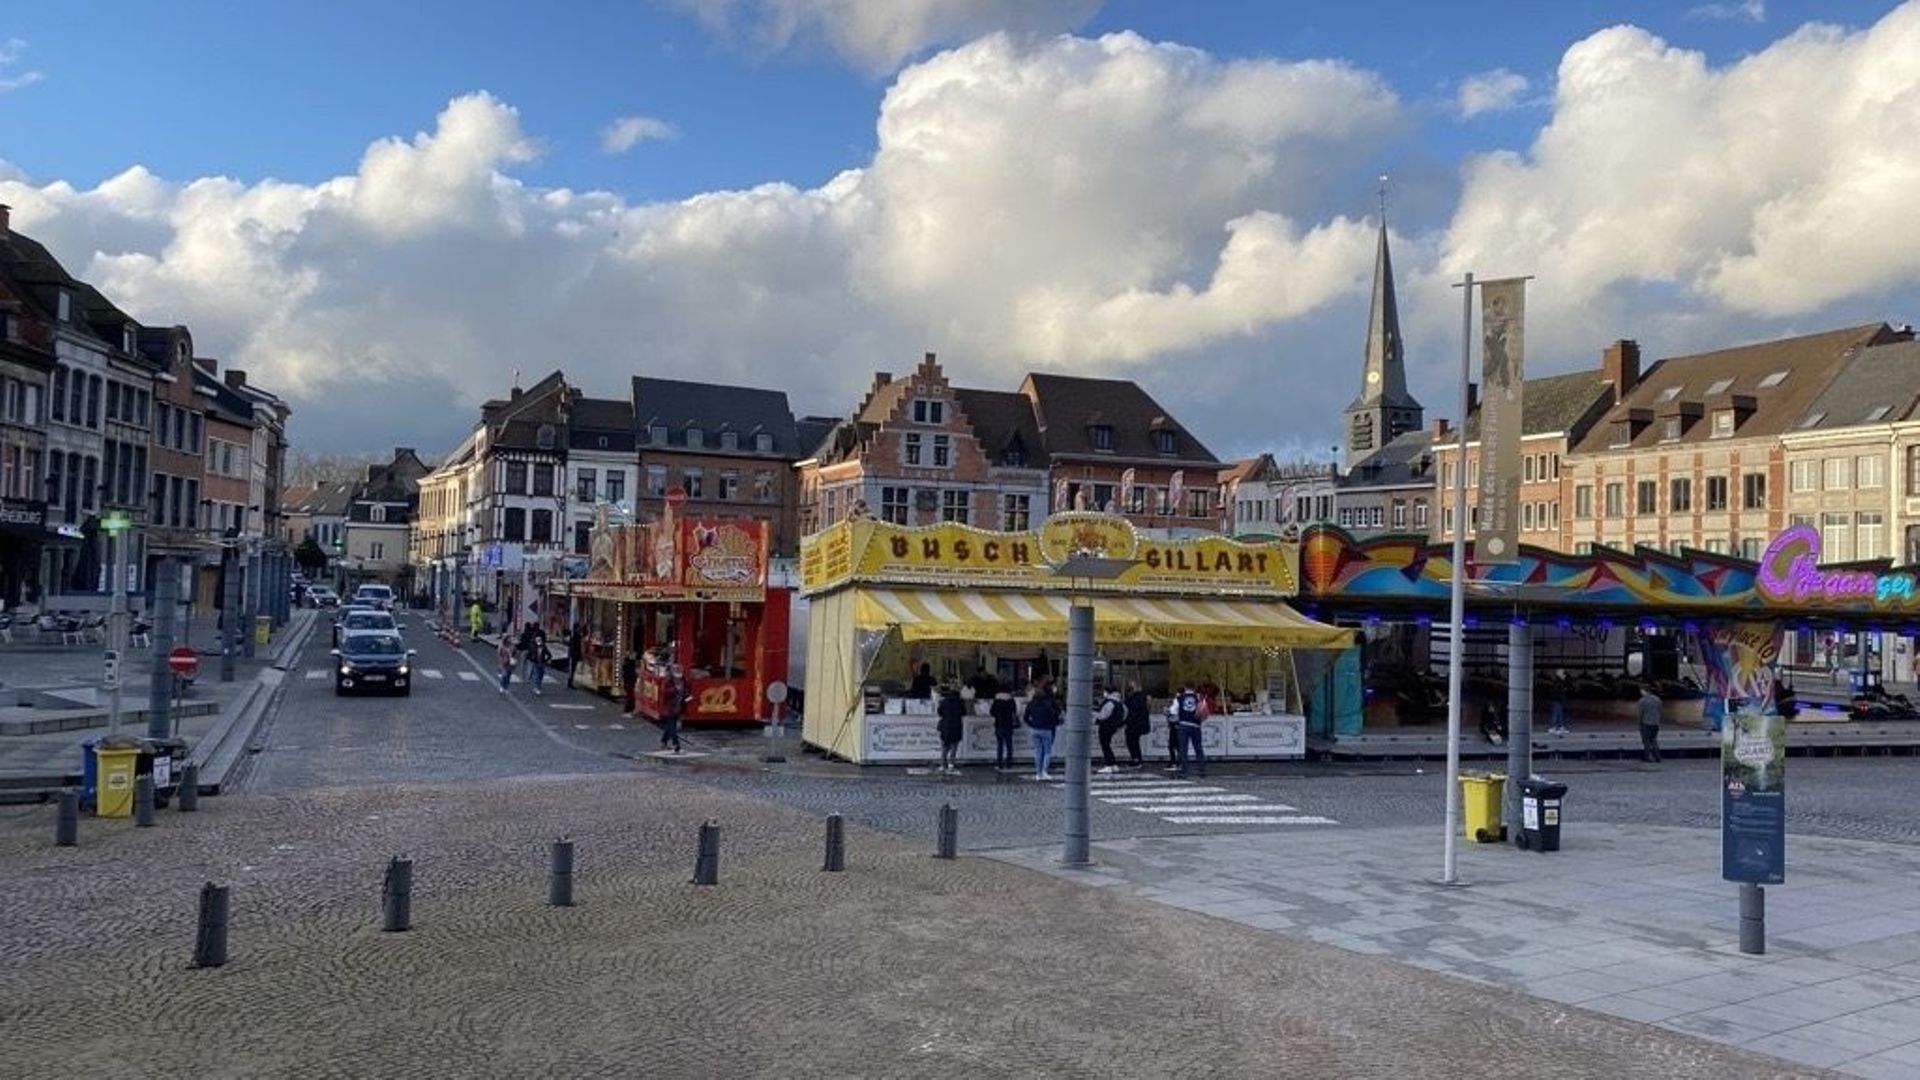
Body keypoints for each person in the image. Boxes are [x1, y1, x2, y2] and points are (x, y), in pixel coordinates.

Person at [1023, 677, 1061, 780]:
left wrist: (1031, 724)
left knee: (1038, 751)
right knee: (1047, 751)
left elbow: (1025, 717)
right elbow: (1054, 715)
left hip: (1035, 729)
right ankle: (1044, 771)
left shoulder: (1031, 704)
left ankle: (1038, 772)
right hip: (1046, 729)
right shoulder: (1048, 705)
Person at [1172, 681, 1207, 778]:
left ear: (1185, 687)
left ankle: (1184, 771)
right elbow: (1205, 712)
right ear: (1194, 688)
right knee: (1198, 748)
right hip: (1196, 726)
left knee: (1183, 749)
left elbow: (1173, 711)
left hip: (1183, 725)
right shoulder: (1199, 698)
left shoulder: (1179, 698)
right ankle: (1202, 770)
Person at [1094, 687, 1126, 774]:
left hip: (1106, 726)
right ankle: (1113, 764)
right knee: (1107, 745)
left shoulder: (1109, 702)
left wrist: (1095, 715)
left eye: (1105, 692)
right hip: (1113, 727)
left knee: (1105, 746)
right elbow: (1126, 713)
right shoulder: (1119, 702)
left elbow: (1103, 715)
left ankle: (1108, 765)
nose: (1104, 694)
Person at [936, 685, 966, 773]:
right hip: (956, 726)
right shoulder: (960, 703)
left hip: (945, 726)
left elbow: (940, 712)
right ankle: (951, 764)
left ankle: (943, 764)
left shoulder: (944, 702)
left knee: (945, 746)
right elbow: (964, 712)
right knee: (954, 747)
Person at [1123, 681, 1151, 769]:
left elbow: (1132, 711)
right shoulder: (1143, 697)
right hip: (1140, 723)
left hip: (1134, 724)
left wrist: (1126, 721)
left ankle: (1136, 759)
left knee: (1132, 742)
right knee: (1134, 742)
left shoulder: (1135, 698)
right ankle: (1137, 759)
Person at [989, 688, 1018, 771]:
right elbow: (1015, 711)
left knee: (1000, 745)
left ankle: (1000, 763)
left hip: (999, 724)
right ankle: (1009, 763)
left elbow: (992, 712)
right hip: (1008, 724)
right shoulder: (1011, 700)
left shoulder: (997, 701)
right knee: (1009, 745)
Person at [660, 667, 686, 753]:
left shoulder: (683, 680)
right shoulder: (668, 681)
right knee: (672, 727)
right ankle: (676, 744)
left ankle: (664, 741)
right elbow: (665, 692)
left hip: (678, 706)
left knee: (670, 726)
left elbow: (686, 689)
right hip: (670, 707)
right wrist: (675, 690)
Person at [518, 622, 548, 695]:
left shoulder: (526, 634)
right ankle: (530, 680)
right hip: (534, 654)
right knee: (532, 668)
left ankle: (523, 677)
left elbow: (522, 642)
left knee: (524, 664)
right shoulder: (537, 634)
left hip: (528, 651)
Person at [1638, 684, 1663, 763]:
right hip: (1655, 723)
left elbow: (1641, 713)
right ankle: (1658, 757)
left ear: (1645, 691)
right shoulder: (1658, 699)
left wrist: (1639, 723)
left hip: (1646, 723)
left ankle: (1647, 757)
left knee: (1646, 741)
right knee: (1654, 740)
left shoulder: (1643, 700)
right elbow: (1660, 710)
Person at [1547, 670, 1570, 735]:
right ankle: (1553, 727)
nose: (1565, 676)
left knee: (1559, 714)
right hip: (1557, 700)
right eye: (1563, 674)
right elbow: (1558, 691)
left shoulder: (1559, 682)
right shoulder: (1558, 682)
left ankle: (1559, 727)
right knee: (1556, 714)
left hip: (1558, 700)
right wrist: (1564, 690)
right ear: (1560, 674)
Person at [567, 624, 587, 689]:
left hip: (573, 654)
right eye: (579, 628)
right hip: (574, 654)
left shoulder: (574, 635)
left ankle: (570, 682)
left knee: (572, 669)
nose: (579, 629)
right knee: (573, 668)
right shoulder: (577, 636)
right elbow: (576, 646)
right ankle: (570, 682)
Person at [619, 649, 639, 715]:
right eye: (633, 655)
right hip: (630, 682)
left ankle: (628, 709)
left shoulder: (626, 663)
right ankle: (629, 709)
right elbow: (632, 673)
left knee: (630, 696)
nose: (634, 656)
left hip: (627, 682)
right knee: (631, 696)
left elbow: (624, 673)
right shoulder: (630, 664)